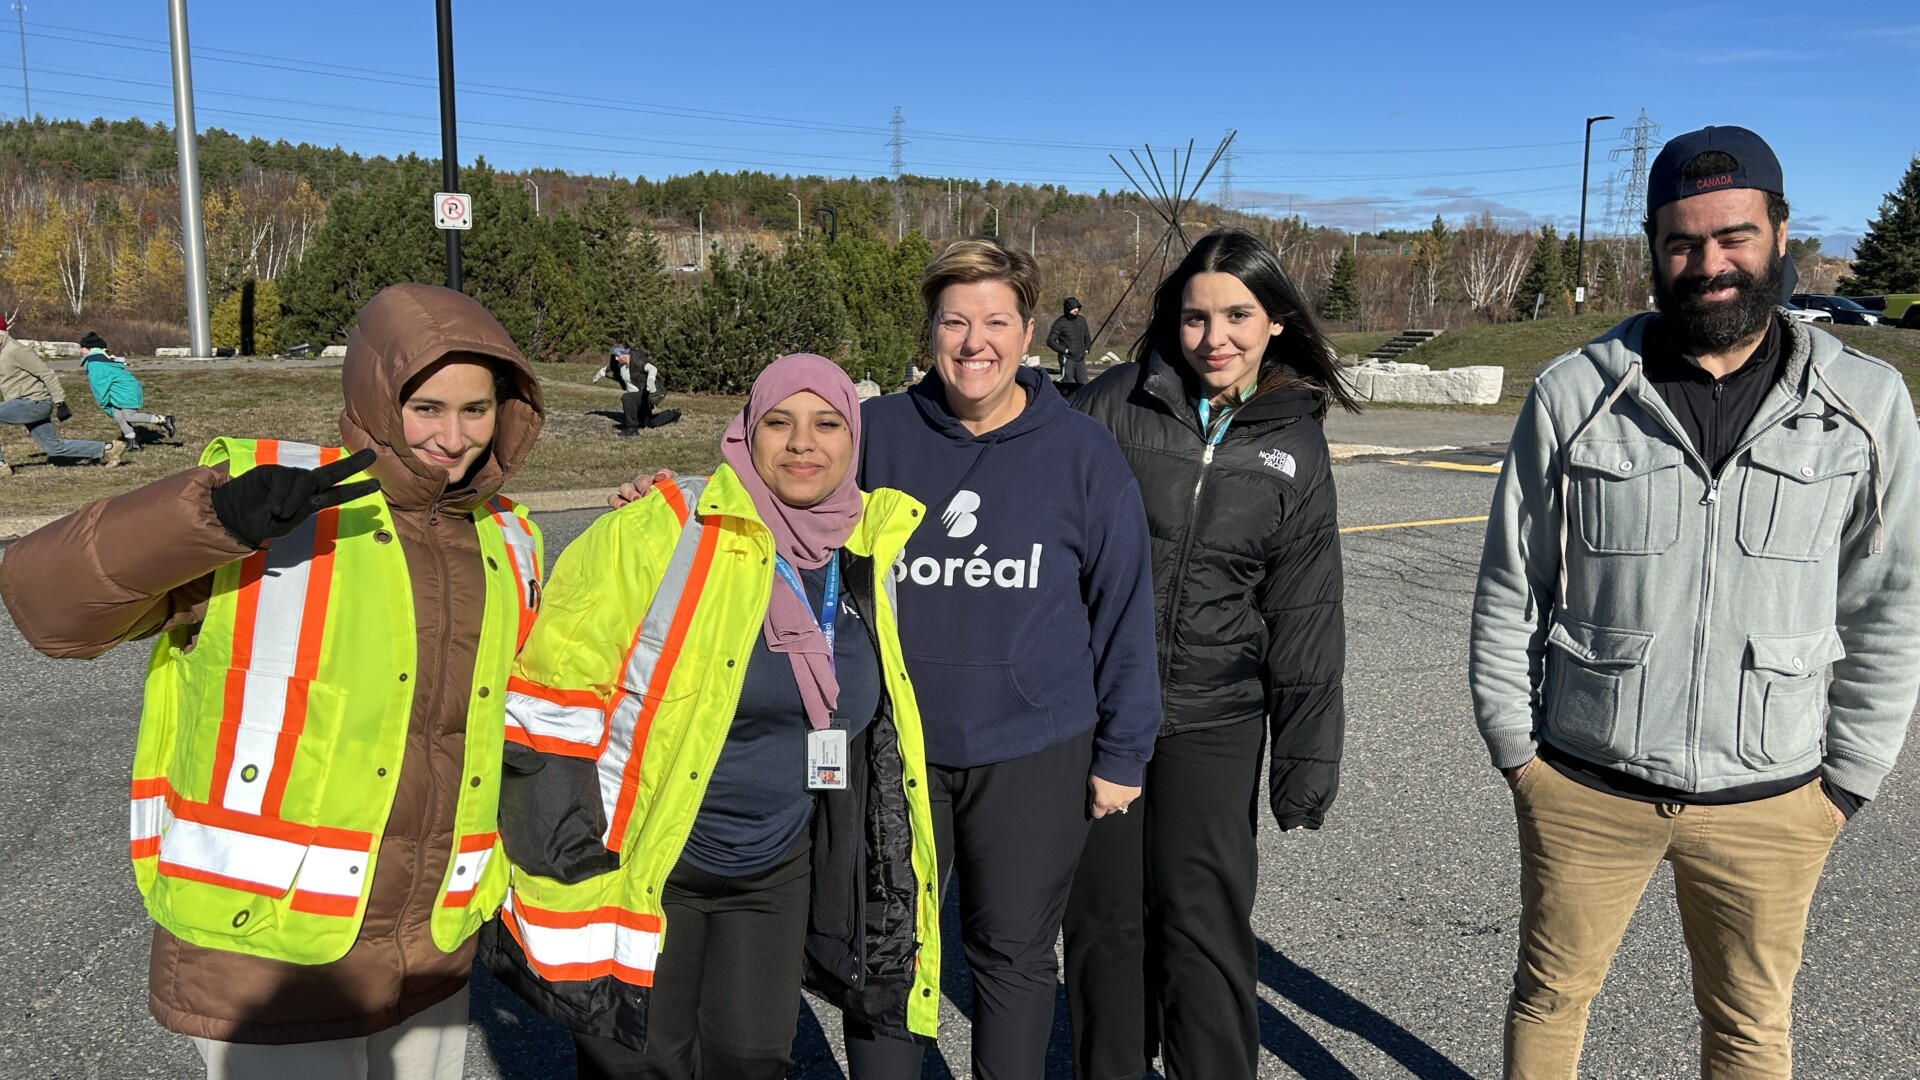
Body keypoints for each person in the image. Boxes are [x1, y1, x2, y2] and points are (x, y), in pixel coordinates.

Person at [612, 239, 1162, 1080]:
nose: (975, 342)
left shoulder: (1082, 453)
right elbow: (780, 485)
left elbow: (1123, 610)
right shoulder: (881, 432)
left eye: (996, 321)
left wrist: (1124, 752)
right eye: (955, 321)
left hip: (1032, 746)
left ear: (1027, 332)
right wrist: (671, 508)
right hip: (890, 744)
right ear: (930, 331)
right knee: (884, 948)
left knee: (1011, 953)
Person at [0, 283, 548, 1079]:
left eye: (476, 410)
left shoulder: (511, 539)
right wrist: (207, 523)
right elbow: (48, 607)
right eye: (427, 407)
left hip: (428, 949)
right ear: (375, 394)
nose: (452, 436)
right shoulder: (268, 499)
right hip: (263, 949)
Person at [1470, 125, 1920, 1079]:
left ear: (1781, 233)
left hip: (1775, 797)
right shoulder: (1575, 393)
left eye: (1734, 237)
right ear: (1653, 249)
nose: (1709, 264)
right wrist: (1520, 755)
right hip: (1587, 783)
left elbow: (1888, 602)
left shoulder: (1866, 405)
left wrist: (1846, 782)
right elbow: (1513, 581)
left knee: (1752, 1031)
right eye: (1682, 243)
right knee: (1549, 1003)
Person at [480, 353, 940, 1079]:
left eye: (826, 424)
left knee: (751, 1061)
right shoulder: (661, 530)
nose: (802, 443)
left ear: (854, 439)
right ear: (746, 432)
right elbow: (547, 702)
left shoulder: (868, 547)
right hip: (648, 858)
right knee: (643, 1063)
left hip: (773, 865)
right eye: (779, 422)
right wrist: (554, 859)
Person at [1066, 228, 1361, 1080]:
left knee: (1205, 920)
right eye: (1196, 317)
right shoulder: (1109, 405)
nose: (1214, 337)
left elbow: (1305, 607)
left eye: (1238, 314)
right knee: (1105, 924)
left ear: (1276, 322)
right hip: (1100, 711)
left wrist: (1305, 759)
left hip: (1217, 718)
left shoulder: (1296, 442)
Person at [0, 314, 125, 474]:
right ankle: (109, 448)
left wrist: (60, 402)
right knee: (54, 448)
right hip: (26, 404)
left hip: (33, 403)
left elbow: (47, 374)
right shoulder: (3, 352)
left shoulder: (17, 351)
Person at [81, 331, 176, 447]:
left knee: (129, 416)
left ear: (89, 348)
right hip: (121, 391)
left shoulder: (95, 363)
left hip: (126, 391)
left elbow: (99, 386)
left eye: (82, 347)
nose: (81, 350)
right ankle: (133, 442)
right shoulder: (100, 359)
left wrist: (103, 402)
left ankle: (162, 419)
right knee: (118, 415)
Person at [592, 345, 661, 435]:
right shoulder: (620, 364)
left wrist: (651, 380)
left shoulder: (638, 361)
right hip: (636, 399)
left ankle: (632, 429)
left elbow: (652, 368)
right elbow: (610, 367)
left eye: (618, 356)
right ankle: (674, 413)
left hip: (646, 396)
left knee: (627, 398)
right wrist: (601, 372)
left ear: (625, 354)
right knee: (647, 423)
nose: (616, 359)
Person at [1046, 296, 1094, 390]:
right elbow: (1050, 341)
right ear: (1068, 309)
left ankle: (1081, 404)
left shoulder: (1081, 320)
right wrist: (1065, 350)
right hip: (1067, 359)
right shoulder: (1060, 323)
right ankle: (1066, 404)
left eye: (1077, 308)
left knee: (1084, 386)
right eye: (1073, 308)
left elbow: (1087, 337)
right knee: (1067, 386)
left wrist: (1087, 349)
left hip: (1080, 359)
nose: (1076, 310)